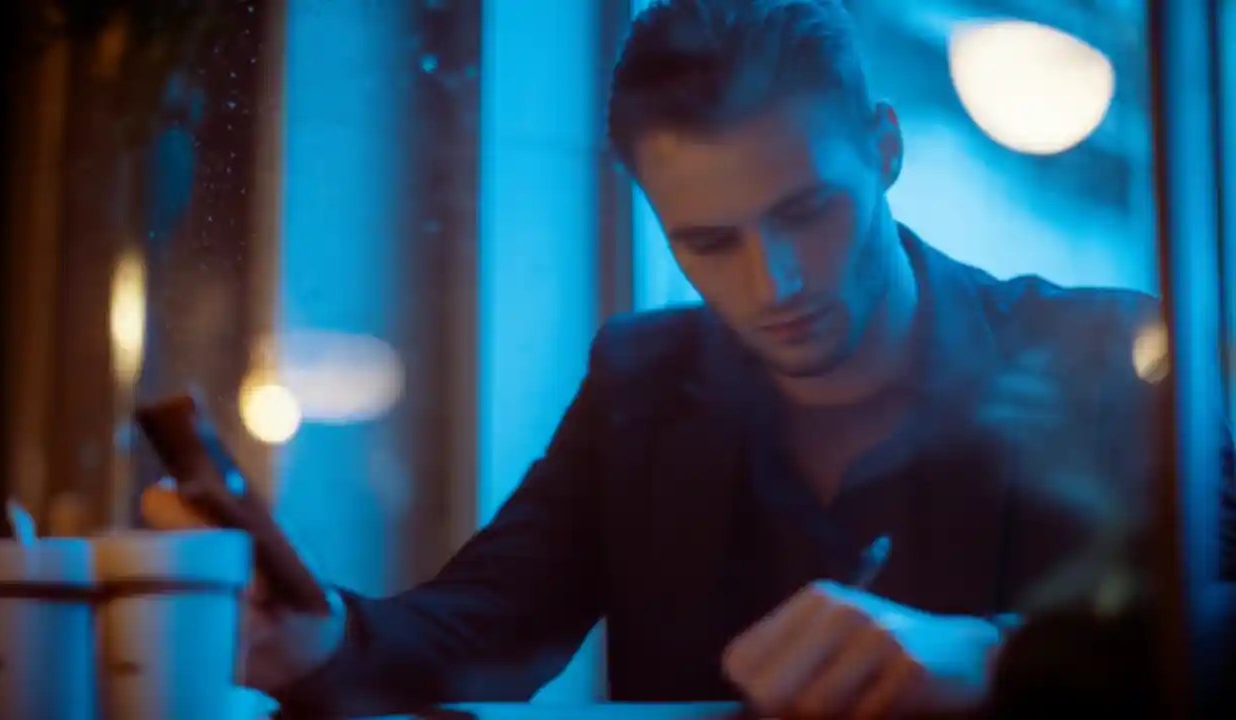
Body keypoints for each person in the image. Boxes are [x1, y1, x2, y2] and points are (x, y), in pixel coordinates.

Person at [144, 0, 1236, 717]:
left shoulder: (1101, 348)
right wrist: (321, 641)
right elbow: (491, 621)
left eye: (807, 213)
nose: (777, 285)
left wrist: (1005, 663)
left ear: (886, 151)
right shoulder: (642, 379)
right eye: (706, 243)